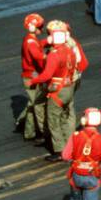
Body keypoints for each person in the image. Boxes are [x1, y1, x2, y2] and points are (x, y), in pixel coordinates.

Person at [29, 25, 77, 161]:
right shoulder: (70, 51)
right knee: (65, 117)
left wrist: (34, 81)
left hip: (58, 90)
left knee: (53, 119)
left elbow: (46, 75)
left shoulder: (54, 55)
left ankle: (59, 150)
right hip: (69, 87)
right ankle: (70, 145)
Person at [17, 12, 48, 146]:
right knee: (37, 103)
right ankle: (40, 132)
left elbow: (37, 44)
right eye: (40, 26)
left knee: (32, 103)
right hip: (32, 76)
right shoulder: (31, 42)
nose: (41, 29)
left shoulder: (30, 39)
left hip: (30, 75)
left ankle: (29, 132)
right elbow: (38, 57)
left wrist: (47, 41)